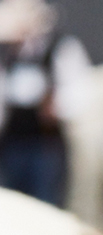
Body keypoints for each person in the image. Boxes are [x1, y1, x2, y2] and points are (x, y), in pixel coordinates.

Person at [0, 0, 91, 207]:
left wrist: (58, 106)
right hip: (11, 142)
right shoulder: (7, 52)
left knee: (43, 202)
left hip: (45, 145)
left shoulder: (60, 47)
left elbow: (81, 91)